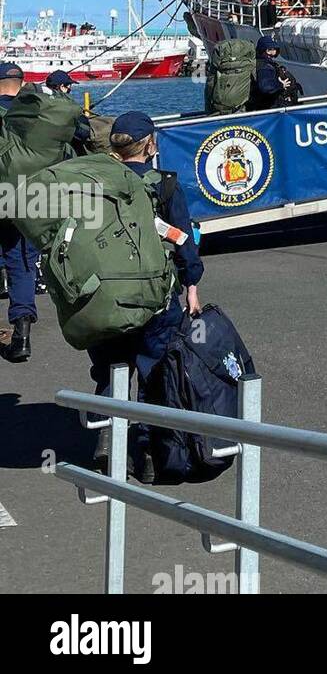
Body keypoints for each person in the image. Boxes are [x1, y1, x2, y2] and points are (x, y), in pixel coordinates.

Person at [87, 111, 203, 477]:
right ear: (151, 144)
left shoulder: (97, 183)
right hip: (156, 294)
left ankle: (107, 441)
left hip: (106, 293)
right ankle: (149, 451)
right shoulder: (165, 185)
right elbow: (183, 239)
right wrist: (192, 286)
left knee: (111, 370)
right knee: (153, 372)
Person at [0, 63, 36, 363]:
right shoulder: (38, 114)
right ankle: (22, 333)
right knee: (22, 262)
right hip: (28, 198)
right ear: (22, 84)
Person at [248, 35, 302, 110]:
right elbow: (265, 87)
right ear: (262, 50)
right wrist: (280, 85)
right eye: (269, 49)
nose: (273, 53)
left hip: (267, 106)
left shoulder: (262, 63)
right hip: (269, 108)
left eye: (274, 49)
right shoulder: (265, 67)